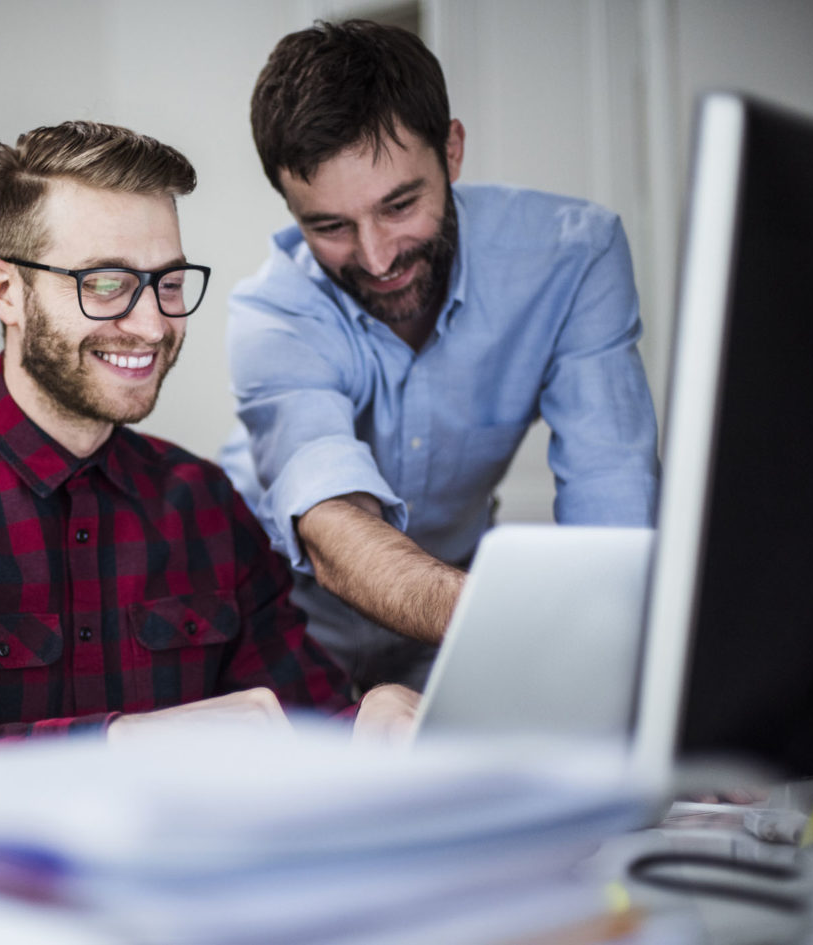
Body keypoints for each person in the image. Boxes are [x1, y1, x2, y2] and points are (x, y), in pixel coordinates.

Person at [0, 120, 416, 744]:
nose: (153, 325)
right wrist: (114, 744)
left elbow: (307, 729)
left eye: (168, 283)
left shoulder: (206, 507)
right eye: (105, 283)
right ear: (5, 290)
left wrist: (370, 718)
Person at [219, 19, 661, 692]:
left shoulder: (573, 260)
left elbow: (613, 506)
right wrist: (523, 624)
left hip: (451, 612)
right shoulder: (272, 312)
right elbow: (336, 525)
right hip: (282, 618)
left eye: (399, 206)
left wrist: (623, 661)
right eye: (330, 226)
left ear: (452, 151)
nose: (376, 258)